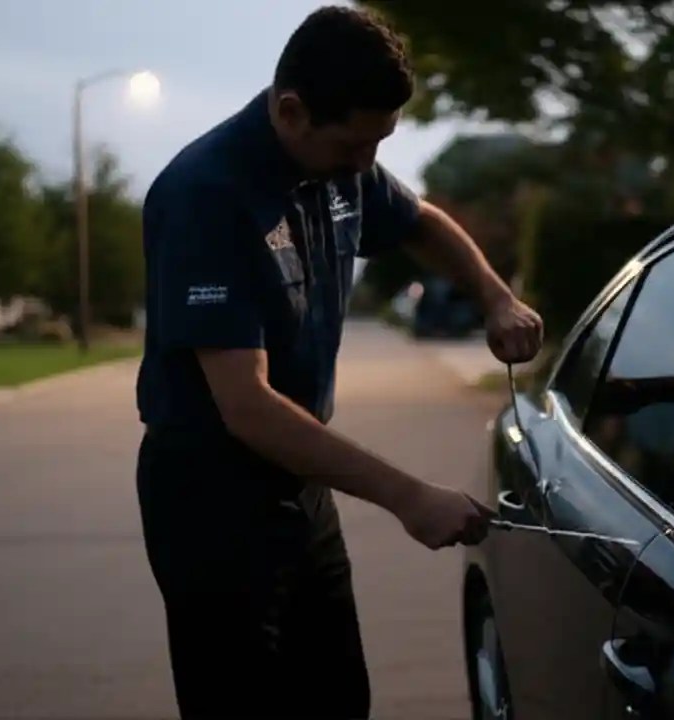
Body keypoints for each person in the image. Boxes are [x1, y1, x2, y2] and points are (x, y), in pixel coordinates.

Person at [134, 5, 543, 718]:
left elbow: (422, 221)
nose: (367, 164)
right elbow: (248, 408)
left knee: (338, 699)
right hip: (211, 497)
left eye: (379, 143)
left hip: (302, 487)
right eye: (355, 144)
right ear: (292, 112)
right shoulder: (207, 196)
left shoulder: (343, 166)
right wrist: (409, 497)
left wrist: (496, 298)